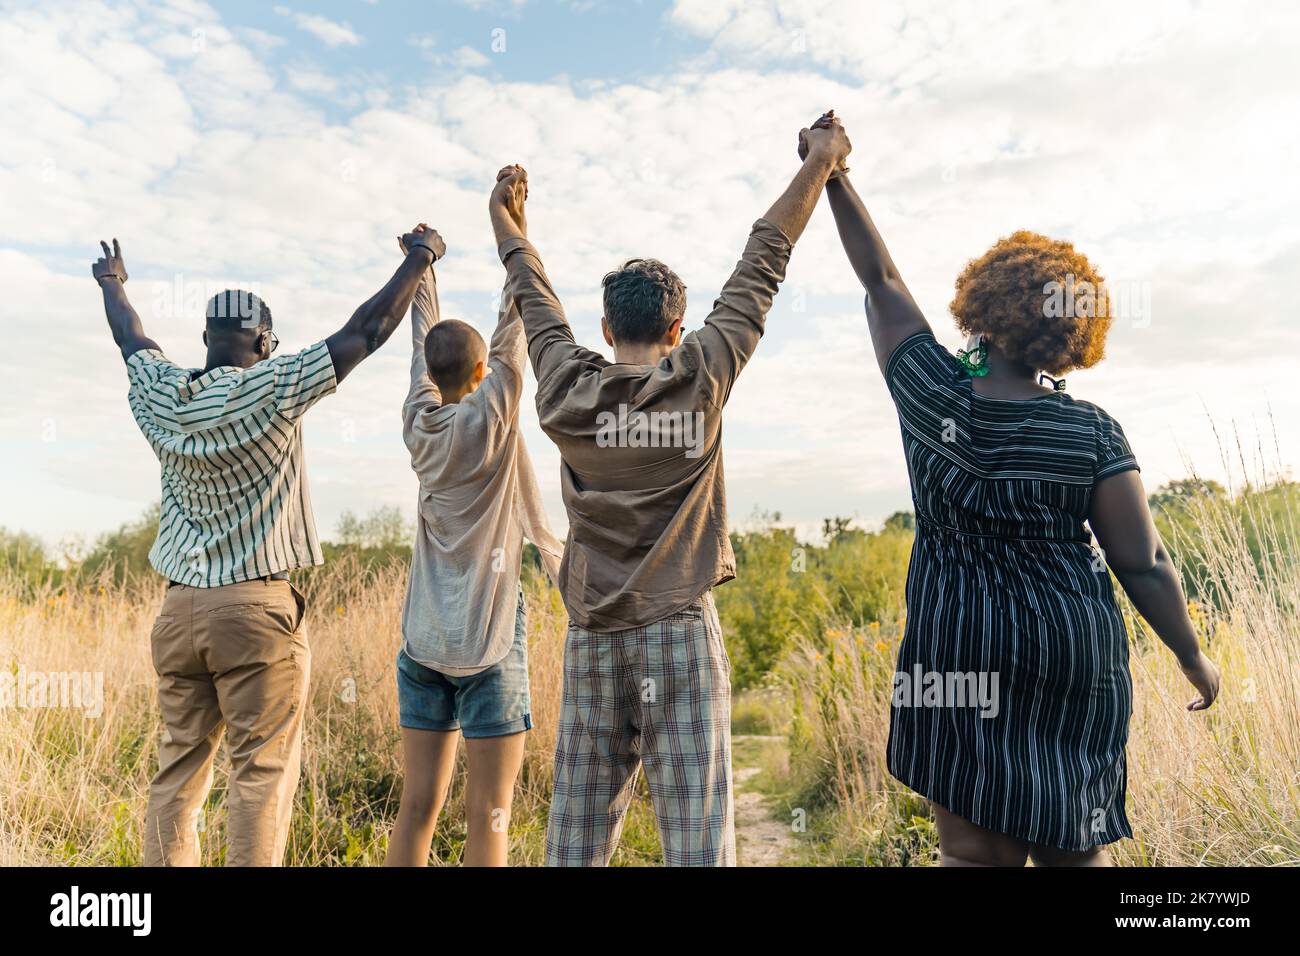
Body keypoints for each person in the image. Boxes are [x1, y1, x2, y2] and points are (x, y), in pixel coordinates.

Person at [814, 116, 1222, 866]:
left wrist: (833, 175)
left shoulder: (930, 392)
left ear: (984, 308)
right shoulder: (1092, 433)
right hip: (1069, 656)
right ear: (1073, 335)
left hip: (955, 651)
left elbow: (882, 283)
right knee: (1076, 850)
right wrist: (1193, 655)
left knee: (971, 856)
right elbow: (1144, 563)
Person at [486, 116, 853, 866]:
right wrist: (820, 162)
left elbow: (531, 295)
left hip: (592, 641)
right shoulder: (701, 375)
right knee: (697, 848)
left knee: (575, 844)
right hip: (680, 636)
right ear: (679, 327)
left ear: (604, 325)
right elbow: (764, 260)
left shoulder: (564, 388)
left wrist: (506, 218)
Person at [93, 229, 444, 866]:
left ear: (205, 339)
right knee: (259, 773)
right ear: (262, 342)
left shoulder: (161, 395)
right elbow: (365, 332)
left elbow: (131, 338)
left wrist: (112, 283)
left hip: (177, 615)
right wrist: (420, 259)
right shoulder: (276, 386)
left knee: (177, 775)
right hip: (255, 611)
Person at [384, 226, 562, 867]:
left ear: (431, 379)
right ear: (482, 374)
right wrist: (515, 238)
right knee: (490, 810)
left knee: (418, 805)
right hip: (489, 642)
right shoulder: (494, 417)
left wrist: (423, 268)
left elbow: (421, 346)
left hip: (424, 644)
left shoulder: (418, 424)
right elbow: (513, 341)